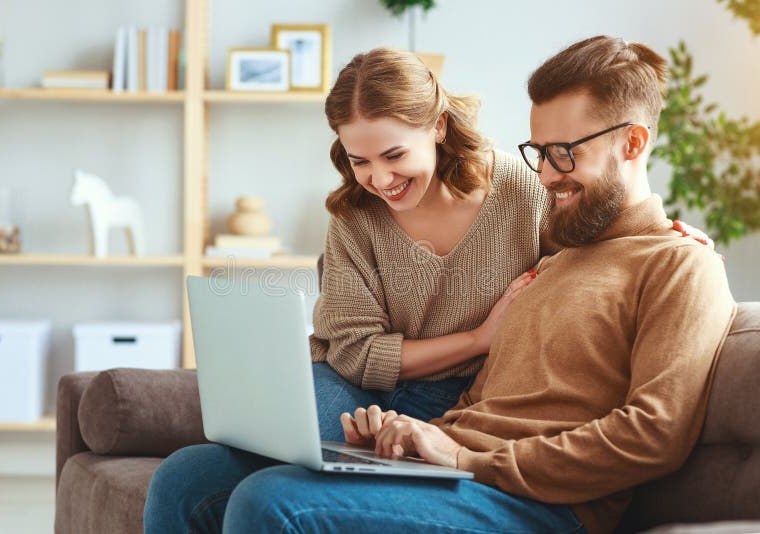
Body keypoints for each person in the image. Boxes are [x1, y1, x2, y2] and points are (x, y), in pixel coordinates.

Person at [147, 35, 735, 534]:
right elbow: (481, 400)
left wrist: (465, 458)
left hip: (532, 498)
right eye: (539, 154)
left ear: (633, 143)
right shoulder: (555, 259)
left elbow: (652, 436)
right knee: (185, 481)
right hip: (450, 459)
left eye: (563, 153)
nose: (548, 176)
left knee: (268, 499)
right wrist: (407, 436)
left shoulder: (680, 265)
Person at [144, 47, 551, 533]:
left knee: (274, 482)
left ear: (438, 126)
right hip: (354, 387)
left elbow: (604, 239)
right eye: (361, 160)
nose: (381, 179)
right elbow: (356, 352)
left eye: (395, 155)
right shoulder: (355, 215)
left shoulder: (523, 192)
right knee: (179, 477)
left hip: (462, 398)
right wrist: (477, 339)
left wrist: (661, 230)